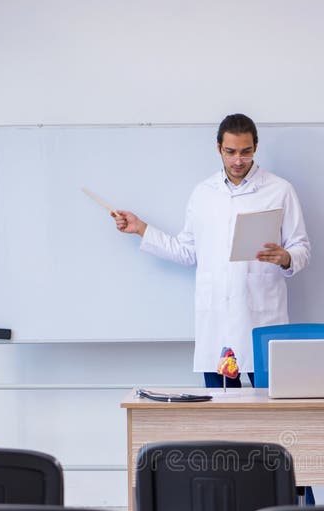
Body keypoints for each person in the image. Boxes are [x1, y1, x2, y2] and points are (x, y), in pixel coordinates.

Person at [112, 113, 311, 388]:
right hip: (216, 320)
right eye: (230, 152)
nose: (238, 160)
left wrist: (287, 257)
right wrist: (141, 228)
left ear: (256, 147)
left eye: (246, 152)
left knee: (268, 412)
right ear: (218, 148)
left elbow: (301, 246)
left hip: (261, 316)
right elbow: (187, 252)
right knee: (220, 412)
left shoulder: (279, 190)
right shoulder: (204, 193)